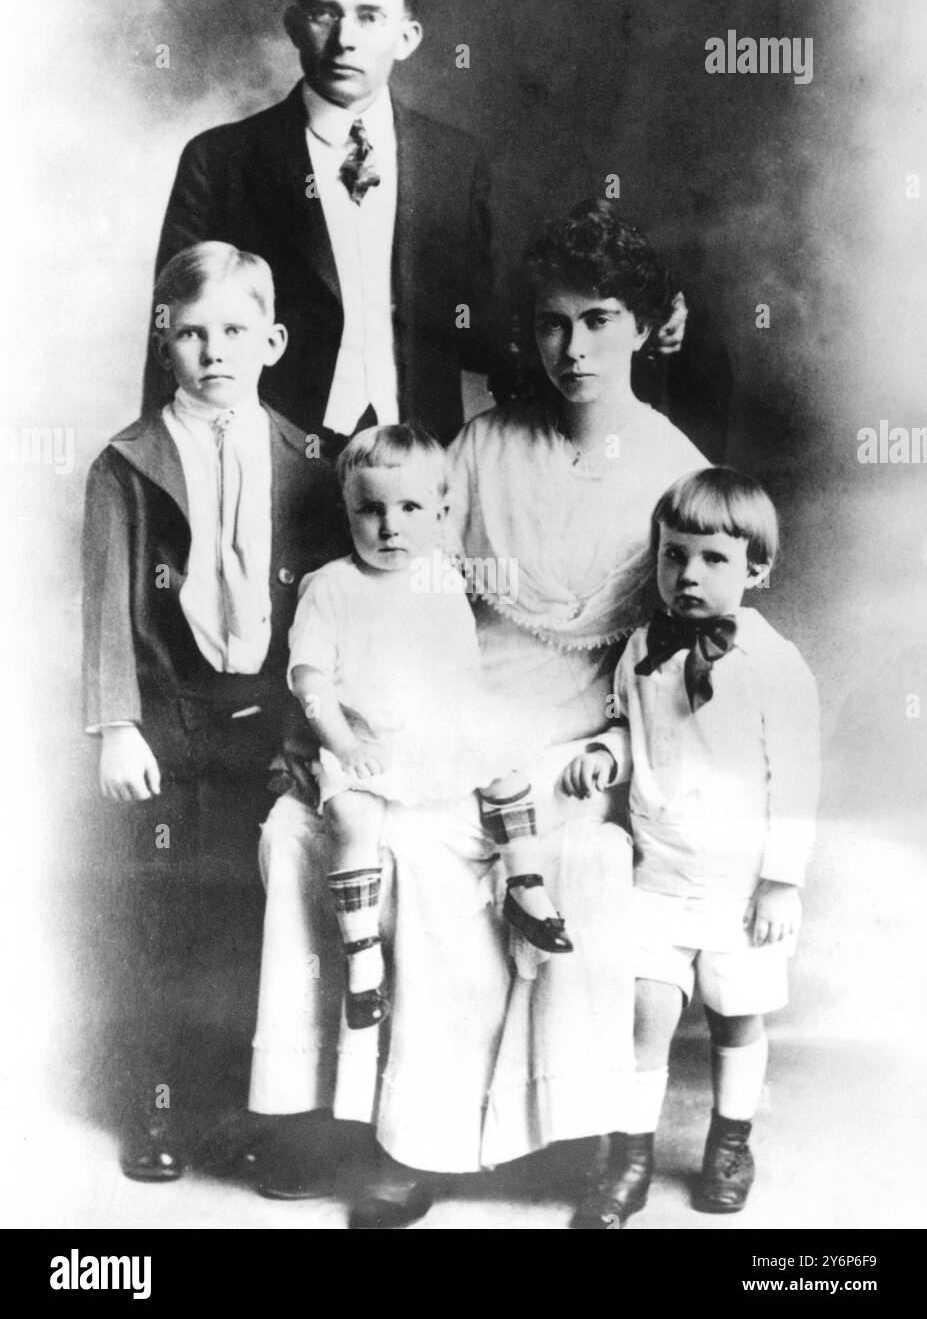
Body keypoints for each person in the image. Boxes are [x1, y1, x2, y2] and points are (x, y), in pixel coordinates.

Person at [246, 201, 713, 1224]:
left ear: (642, 324)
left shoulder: (677, 470)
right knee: (325, 826)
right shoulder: (483, 443)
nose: (574, 346)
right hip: (443, 709)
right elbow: (394, 582)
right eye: (553, 322)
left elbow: (680, 652)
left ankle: (456, 1132)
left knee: (478, 847)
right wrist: (325, 725)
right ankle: (350, 1116)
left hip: (578, 733)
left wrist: (618, 747)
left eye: (599, 320)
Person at [82, 241, 346, 1181]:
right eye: (191, 334)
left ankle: (255, 1110)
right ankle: (158, 1106)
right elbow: (107, 603)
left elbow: (340, 600)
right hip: (169, 716)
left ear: (271, 340)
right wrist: (117, 723)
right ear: (166, 345)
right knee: (168, 914)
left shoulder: (314, 459)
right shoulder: (129, 461)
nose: (214, 351)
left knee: (263, 918)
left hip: (270, 718)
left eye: (234, 330)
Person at [561, 468, 821, 1227]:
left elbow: (796, 776)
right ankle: (630, 1155)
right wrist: (609, 753)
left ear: (756, 571)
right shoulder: (644, 647)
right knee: (642, 1009)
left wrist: (780, 881)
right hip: (660, 875)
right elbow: (628, 723)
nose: (688, 576)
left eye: (712, 559)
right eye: (674, 556)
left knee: (737, 1015)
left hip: (739, 887)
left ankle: (729, 1142)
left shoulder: (773, 665)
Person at [142, 0, 495, 447]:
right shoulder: (221, 161)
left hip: (420, 463)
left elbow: (483, 326)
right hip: (267, 459)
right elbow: (174, 332)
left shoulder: (455, 162)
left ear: (407, 37)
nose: (345, 37)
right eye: (326, 13)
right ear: (294, 26)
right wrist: (162, 469)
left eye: (370, 16)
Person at [290, 424, 571, 1031]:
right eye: (370, 509)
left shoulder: (440, 576)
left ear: (441, 514)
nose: (390, 526)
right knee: (353, 819)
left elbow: (458, 667)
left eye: (410, 508)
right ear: (347, 513)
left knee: (504, 763)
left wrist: (469, 724)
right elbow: (309, 683)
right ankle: (363, 959)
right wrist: (343, 744)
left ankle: (525, 883)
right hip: (365, 736)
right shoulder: (331, 586)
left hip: (435, 727)